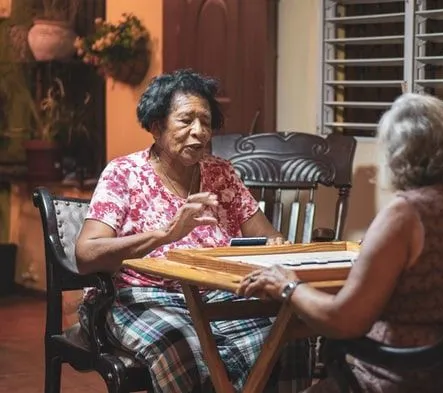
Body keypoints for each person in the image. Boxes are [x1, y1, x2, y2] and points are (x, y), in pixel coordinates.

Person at [236, 93, 443, 393]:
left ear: (399, 156)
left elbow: (343, 320)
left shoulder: (409, 213)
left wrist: (288, 286)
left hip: (413, 378)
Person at [74, 69, 311, 393]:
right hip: (136, 295)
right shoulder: (124, 173)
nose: (199, 132)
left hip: (214, 292)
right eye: (186, 121)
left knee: (286, 334)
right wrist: (166, 233)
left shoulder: (220, 172)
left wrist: (275, 245)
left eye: (206, 122)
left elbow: (268, 238)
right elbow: (86, 254)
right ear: (157, 126)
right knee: (182, 348)